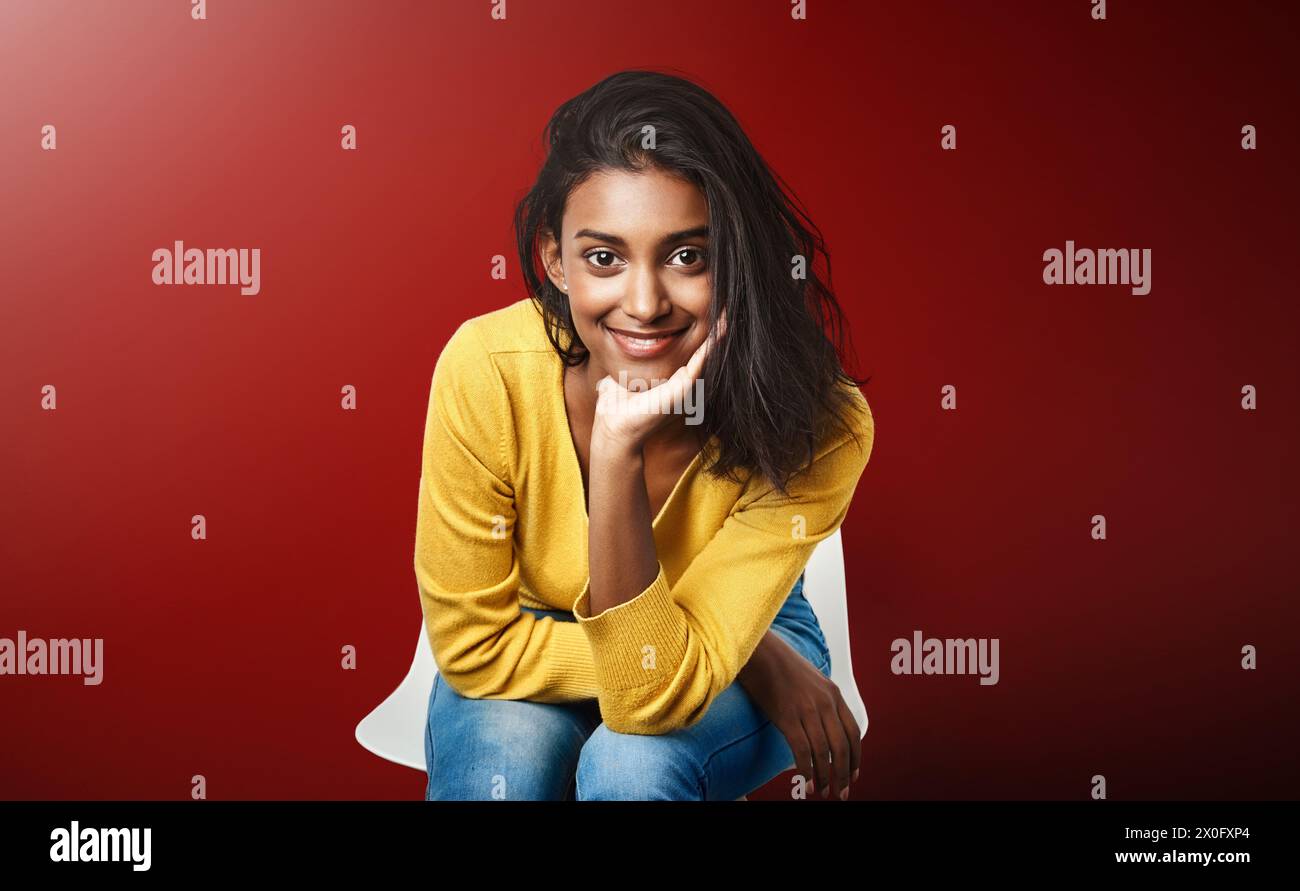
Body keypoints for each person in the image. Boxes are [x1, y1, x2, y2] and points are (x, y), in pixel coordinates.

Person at [416, 69, 875, 801]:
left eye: (687, 255)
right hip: (546, 622)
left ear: (738, 257)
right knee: (501, 775)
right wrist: (749, 660)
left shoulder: (827, 421)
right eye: (605, 257)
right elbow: (476, 648)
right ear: (554, 261)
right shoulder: (486, 369)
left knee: (632, 767)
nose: (645, 302)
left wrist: (616, 451)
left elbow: (645, 704)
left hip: (748, 616)